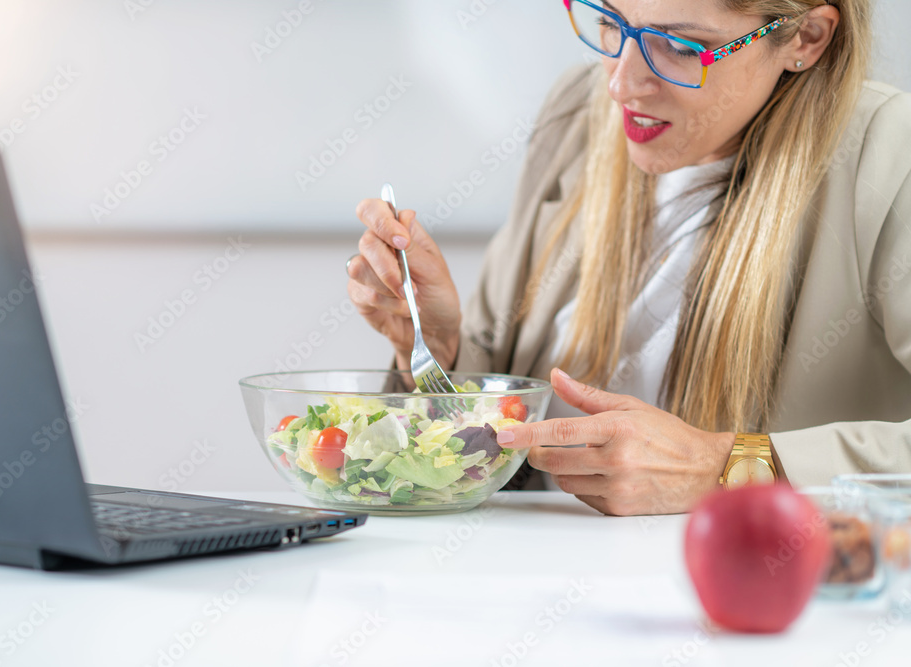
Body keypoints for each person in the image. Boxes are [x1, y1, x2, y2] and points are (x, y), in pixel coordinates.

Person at [345, 0, 911, 515]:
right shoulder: (576, 114)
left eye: (682, 47)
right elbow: (493, 441)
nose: (621, 83)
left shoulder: (890, 154)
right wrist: (436, 348)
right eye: (612, 24)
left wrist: (728, 467)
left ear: (806, 37)